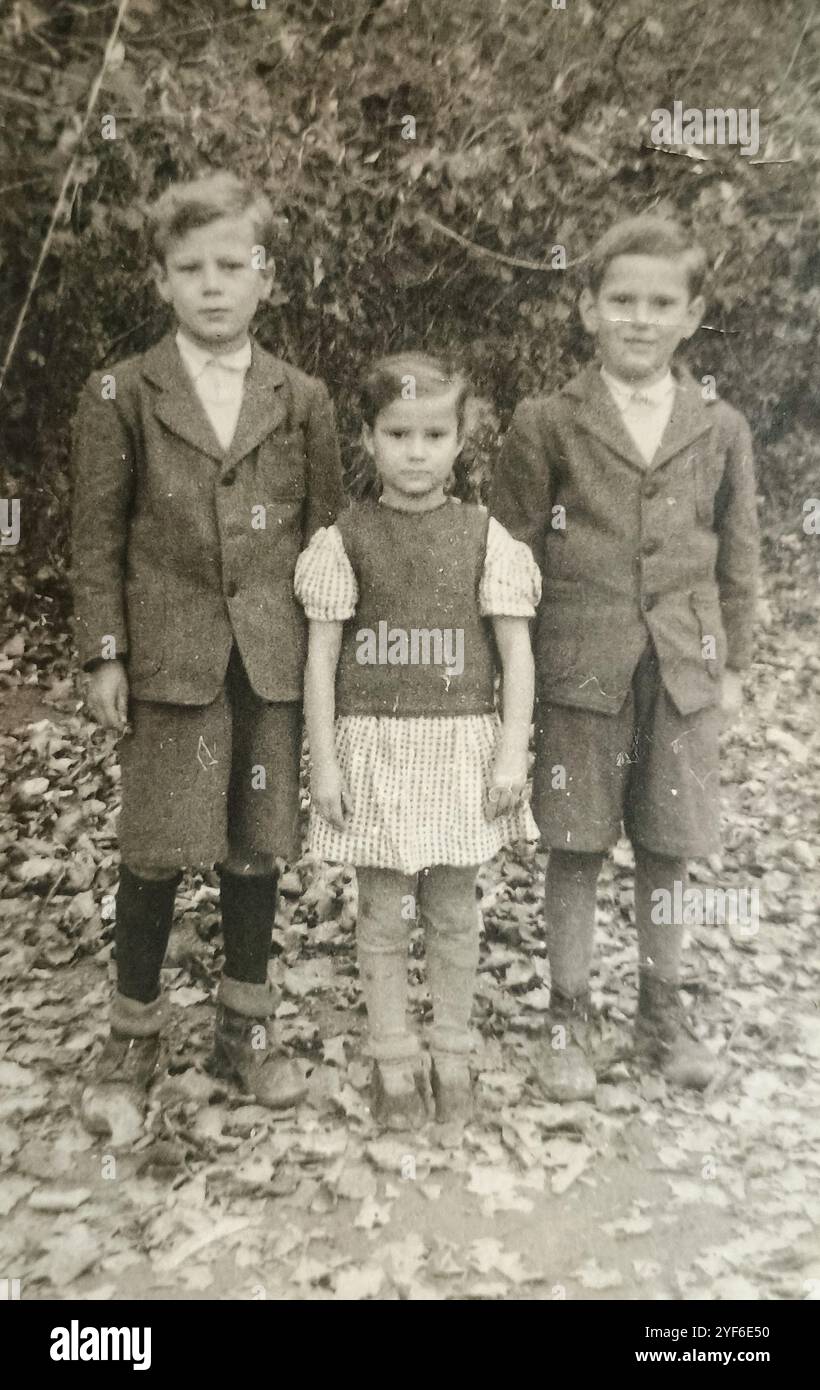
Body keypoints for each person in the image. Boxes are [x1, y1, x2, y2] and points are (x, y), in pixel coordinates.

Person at [71, 171, 344, 1126]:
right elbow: (97, 538)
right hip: (171, 663)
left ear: (266, 277)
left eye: (232, 266)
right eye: (191, 269)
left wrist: (327, 663)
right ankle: (131, 1040)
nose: (213, 285)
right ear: (161, 281)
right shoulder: (121, 394)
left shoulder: (303, 398)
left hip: (269, 661)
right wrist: (105, 652)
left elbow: (326, 539)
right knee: (153, 851)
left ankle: (246, 1033)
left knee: (255, 851)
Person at [491, 215, 759, 1101]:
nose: (640, 319)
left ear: (692, 317)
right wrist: (508, 676)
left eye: (660, 303)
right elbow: (508, 555)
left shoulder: (719, 427)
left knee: (667, 844)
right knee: (574, 842)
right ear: (586, 308)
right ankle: (569, 1013)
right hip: (579, 669)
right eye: (621, 301)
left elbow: (739, 557)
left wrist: (733, 667)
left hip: (682, 669)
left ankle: (661, 1013)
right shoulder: (548, 422)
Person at [294, 352, 541, 1129]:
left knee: (453, 907)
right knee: (380, 909)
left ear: (461, 437)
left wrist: (511, 750)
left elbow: (516, 654)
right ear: (367, 438)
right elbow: (323, 659)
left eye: (435, 434)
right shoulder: (346, 537)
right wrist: (325, 760)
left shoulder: (484, 536)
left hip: (459, 744)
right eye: (398, 434)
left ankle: (454, 1051)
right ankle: (393, 1059)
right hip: (375, 747)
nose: (416, 451)